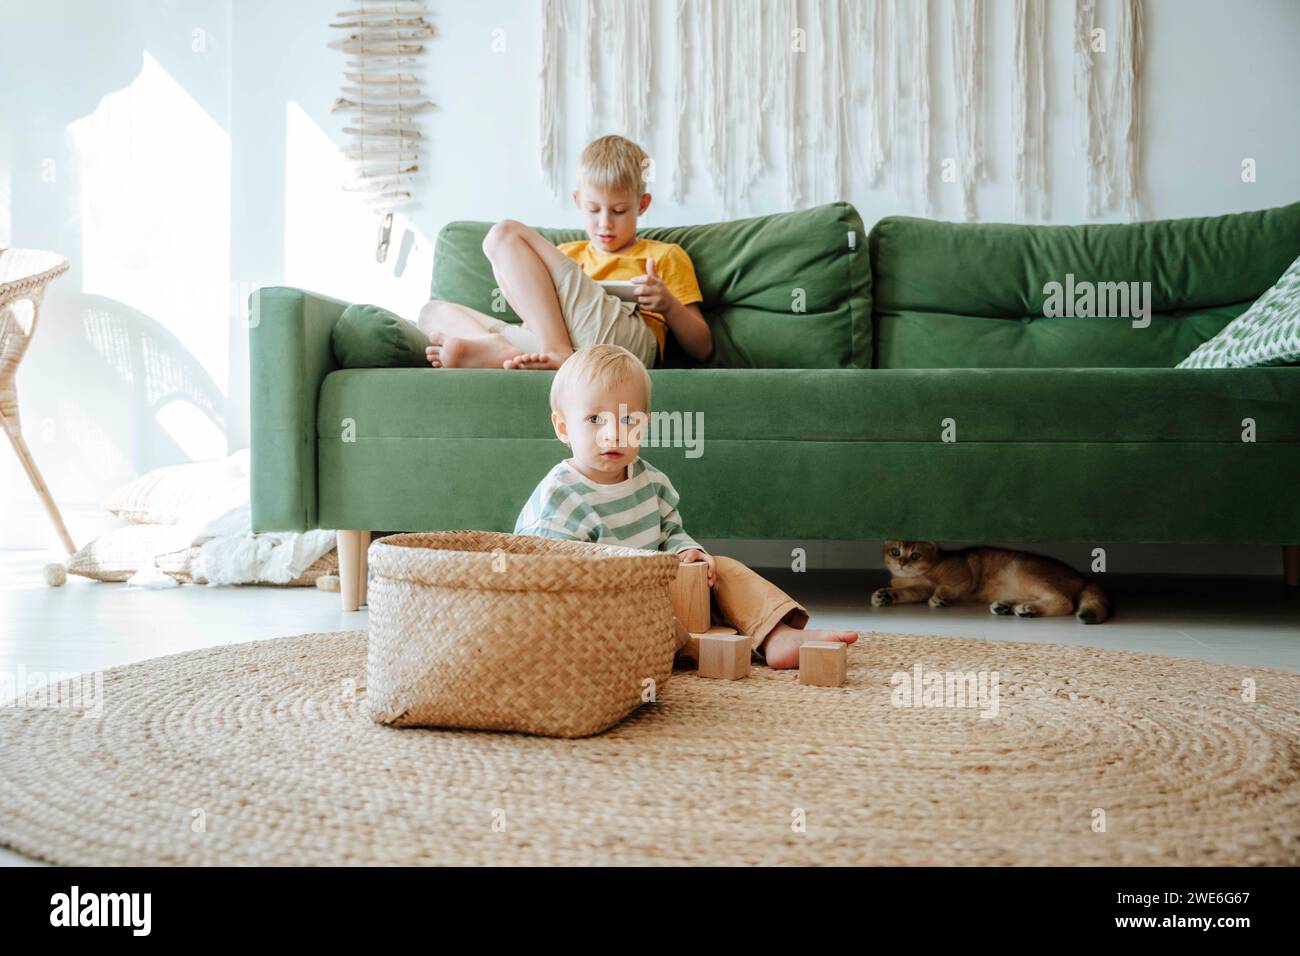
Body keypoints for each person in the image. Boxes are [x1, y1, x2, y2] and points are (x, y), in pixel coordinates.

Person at [513, 344, 860, 669]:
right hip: (596, 608)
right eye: (594, 419)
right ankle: (695, 646)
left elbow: (670, 533)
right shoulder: (561, 495)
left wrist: (687, 552)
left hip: (655, 595)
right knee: (681, 637)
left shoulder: (653, 483)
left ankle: (776, 634)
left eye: (628, 420)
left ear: (645, 423)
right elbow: (547, 572)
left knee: (722, 569)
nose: (614, 433)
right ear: (563, 427)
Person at [420, 134, 712, 371]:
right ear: (577, 200)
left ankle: (552, 351)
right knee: (432, 313)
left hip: (618, 345)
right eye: (593, 209)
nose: (605, 223)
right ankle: (501, 351)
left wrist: (668, 304)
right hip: (560, 341)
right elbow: (533, 318)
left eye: (619, 211)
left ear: (642, 205)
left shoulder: (664, 255)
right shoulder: (565, 253)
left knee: (504, 235)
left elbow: (702, 348)